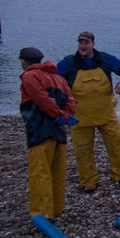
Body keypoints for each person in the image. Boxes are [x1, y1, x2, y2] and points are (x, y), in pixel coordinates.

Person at [57, 31, 120, 192]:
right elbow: (54, 81)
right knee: (82, 149)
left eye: (86, 43)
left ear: (93, 44)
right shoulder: (68, 63)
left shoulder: (105, 59)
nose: (83, 46)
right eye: (80, 43)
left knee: (117, 144)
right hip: (80, 116)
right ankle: (88, 180)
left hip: (106, 113)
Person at [19, 47, 77, 222]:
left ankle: (42, 213)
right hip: (59, 129)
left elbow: (42, 100)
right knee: (57, 170)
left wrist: (59, 115)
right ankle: (56, 209)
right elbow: (70, 100)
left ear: (24, 61)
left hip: (40, 127)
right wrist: (66, 116)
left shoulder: (30, 76)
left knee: (39, 171)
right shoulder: (58, 78)